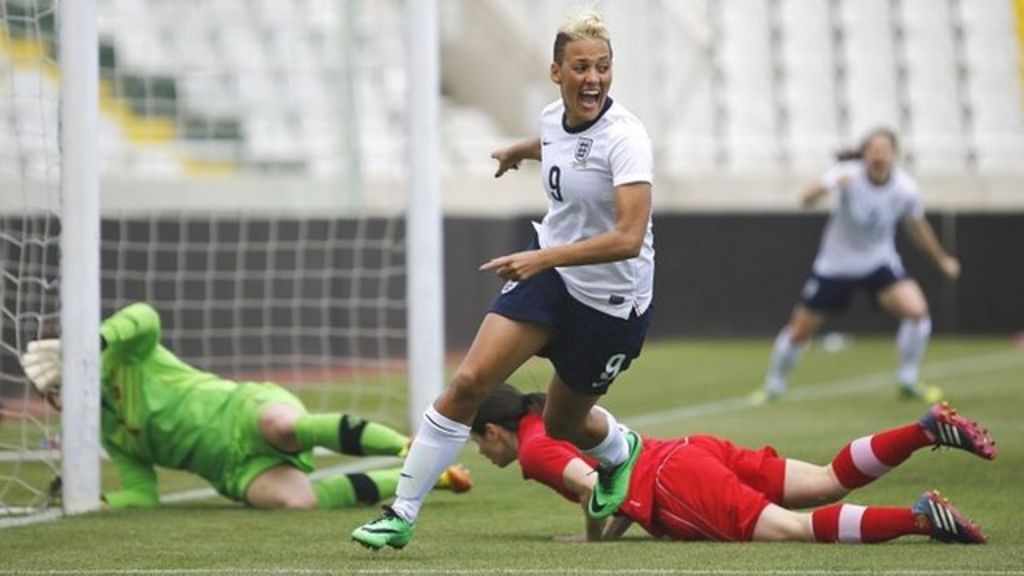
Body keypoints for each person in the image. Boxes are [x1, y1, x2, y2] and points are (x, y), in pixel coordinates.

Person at [352, 9, 656, 550]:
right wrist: (522, 149)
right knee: (470, 383)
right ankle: (401, 513)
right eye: (581, 67)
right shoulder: (549, 118)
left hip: (612, 300)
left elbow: (629, 237)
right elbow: (561, 141)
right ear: (556, 72)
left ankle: (619, 451)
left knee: (563, 425)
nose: (594, 79)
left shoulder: (627, 138)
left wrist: (543, 258)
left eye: (603, 68)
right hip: (553, 279)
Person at [19, 302, 472, 510]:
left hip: (244, 411)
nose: (54, 394)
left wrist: (91, 343)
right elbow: (142, 492)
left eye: (57, 380)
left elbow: (144, 315)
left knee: (282, 423)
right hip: (233, 472)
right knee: (296, 500)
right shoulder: (107, 431)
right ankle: (430, 476)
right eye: (49, 390)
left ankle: (404, 448)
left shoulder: (125, 352)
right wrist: (97, 501)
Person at [472, 383, 996, 544]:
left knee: (792, 529)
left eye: (480, 443)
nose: (481, 453)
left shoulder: (536, 447)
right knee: (825, 482)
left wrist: (593, 539)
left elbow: (594, 484)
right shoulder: (552, 421)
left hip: (673, 481)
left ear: (494, 431)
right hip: (686, 450)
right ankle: (925, 430)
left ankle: (921, 518)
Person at [760, 128, 960, 402]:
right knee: (799, 331)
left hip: (878, 263)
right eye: (873, 149)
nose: (878, 155)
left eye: (884, 149)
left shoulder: (905, 189)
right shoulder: (847, 173)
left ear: (894, 154)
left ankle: (908, 380)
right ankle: (774, 386)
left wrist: (942, 259)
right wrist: (826, 187)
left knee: (917, 312)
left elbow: (918, 227)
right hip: (835, 265)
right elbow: (805, 199)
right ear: (865, 153)